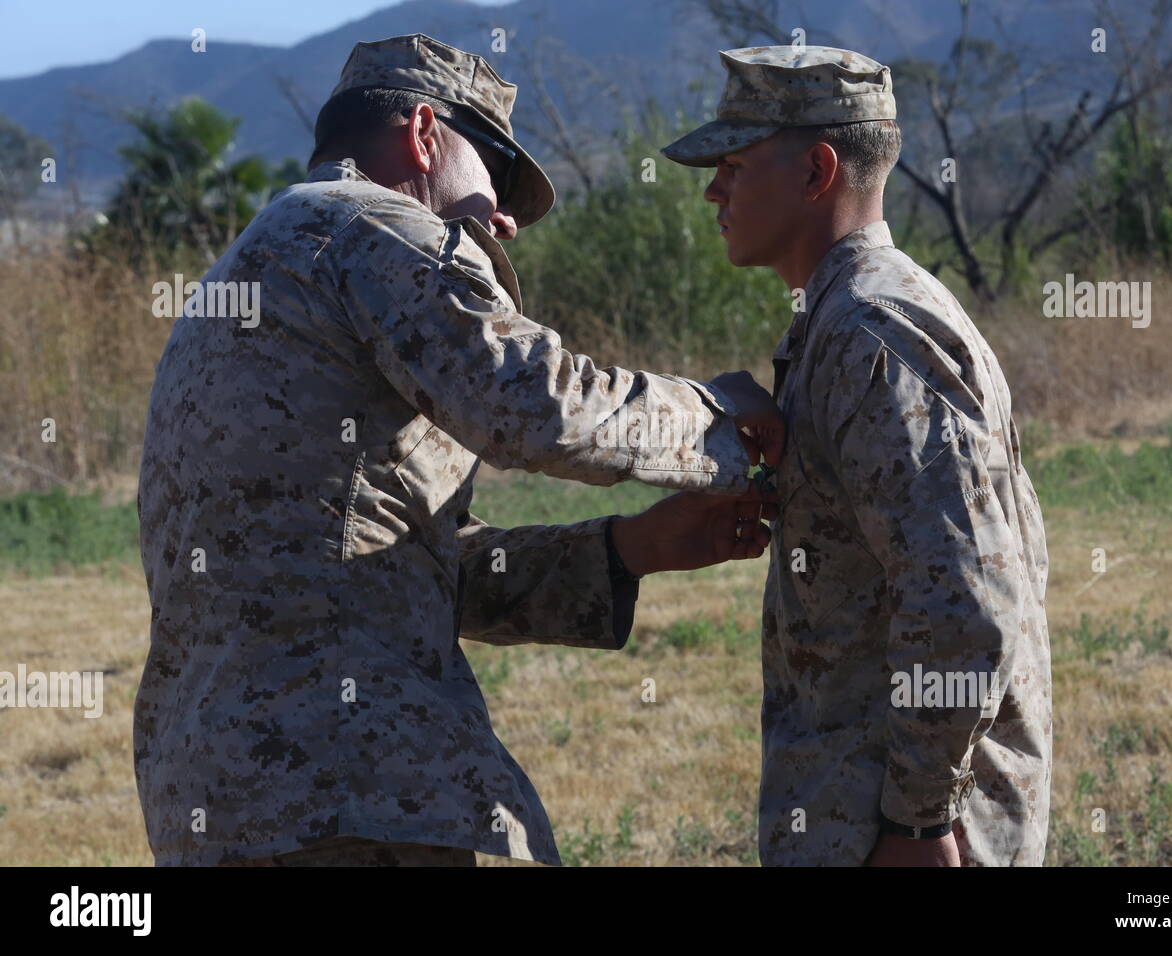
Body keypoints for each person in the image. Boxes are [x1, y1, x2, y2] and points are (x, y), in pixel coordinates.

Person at [134, 34, 781, 867]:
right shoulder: (368, 226)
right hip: (360, 793)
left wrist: (631, 549)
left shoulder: (259, 269)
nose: (504, 217)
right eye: (497, 174)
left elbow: (390, 567)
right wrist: (726, 423)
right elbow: (536, 404)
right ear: (424, 134)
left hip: (237, 803)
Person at [661, 45, 1052, 866]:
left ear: (816, 172)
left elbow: (965, 598)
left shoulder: (876, 332)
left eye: (733, 164)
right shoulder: (840, 319)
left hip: (896, 833)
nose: (712, 190)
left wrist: (918, 821)